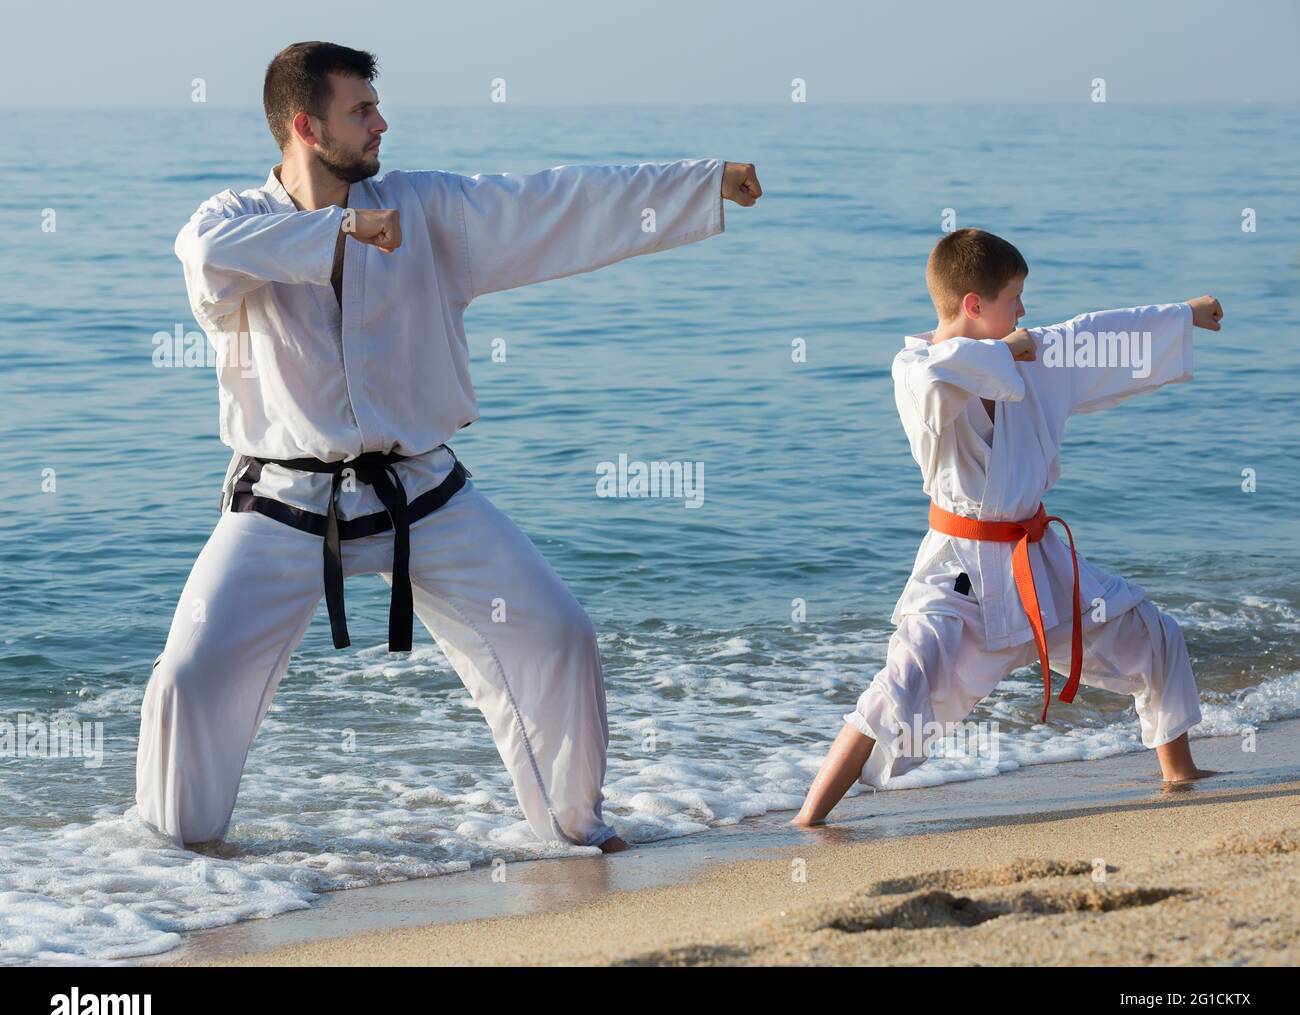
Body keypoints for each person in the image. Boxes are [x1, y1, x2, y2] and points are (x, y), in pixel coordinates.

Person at [134, 40, 763, 853]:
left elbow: (557, 205)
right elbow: (206, 259)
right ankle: (174, 862)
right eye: (361, 110)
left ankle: (575, 834)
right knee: (188, 679)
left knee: (559, 636)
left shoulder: (426, 212)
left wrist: (700, 182)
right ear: (305, 126)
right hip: (281, 506)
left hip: (423, 495)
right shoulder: (233, 222)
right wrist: (339, 233)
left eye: (376, 106)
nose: (381, 123)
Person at [793, 227, 1221, 826]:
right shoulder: (916, 370)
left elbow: (1094, 334)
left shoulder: (1031, 352)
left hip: (1039, 560)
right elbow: (940, 374)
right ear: (974, 305)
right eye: (1014, 296)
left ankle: (1180, 772)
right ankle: (808, 820)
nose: (1023, 310)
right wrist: (1005, 353)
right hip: (959, 571)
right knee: (900, 688)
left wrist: (1183, 316)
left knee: (1154, 636)